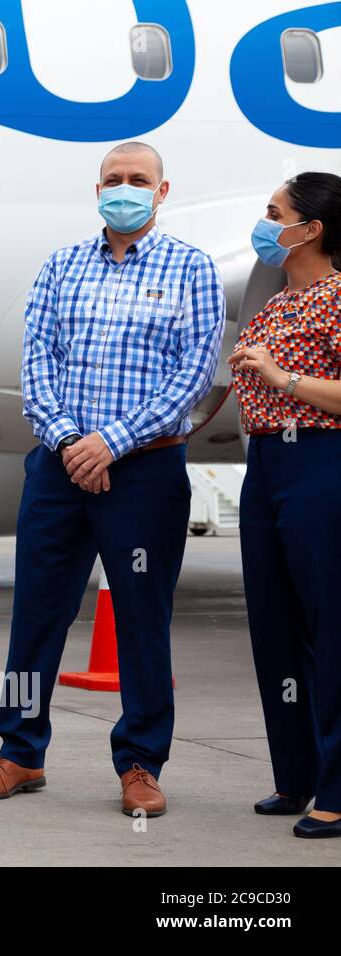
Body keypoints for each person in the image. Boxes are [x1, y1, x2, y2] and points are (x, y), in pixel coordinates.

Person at [0, 143, 224, 816]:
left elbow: (193, 374)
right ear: (97, 189)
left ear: (162, 192)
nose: (125, 189)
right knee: (36, 616)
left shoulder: (191, 268)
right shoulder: (62, 265)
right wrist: (73, 440)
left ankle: (140, 763)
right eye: (114, 180)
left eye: (139, 181)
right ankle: (19, 754)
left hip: (145, 468)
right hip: (59, 464)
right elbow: (38, 360)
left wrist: (115, 441)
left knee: (143, 620)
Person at [230, 171, 341, 838]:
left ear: (311, 228)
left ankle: (337, 786)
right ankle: (294, 773)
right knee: (274, 626)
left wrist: (281, 376)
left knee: (329, 624)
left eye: (275, 213)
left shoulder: (336, 300)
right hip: (267, 463)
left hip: (321, 460)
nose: (266, 223)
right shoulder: (275, 303)